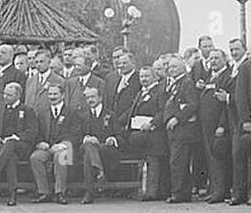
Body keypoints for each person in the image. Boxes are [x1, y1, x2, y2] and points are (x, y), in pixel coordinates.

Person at [0, 81, 37, 206]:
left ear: (17, 96)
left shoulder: (27, 110)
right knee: (10, 158)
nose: (5, 97)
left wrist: (16, 137)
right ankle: (12, 194)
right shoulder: (0, 111)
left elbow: (32, 131)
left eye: (9, 95)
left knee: (11, 143)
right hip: (4, 148)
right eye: (5, 94)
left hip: (22, 146)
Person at [227, 41, 251, 206]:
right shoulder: (244, 68)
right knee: (242, 157)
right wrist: (246, 119)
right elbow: (241, 96)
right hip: (244, 122)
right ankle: (241, 193)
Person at [122, 66, 168, 201]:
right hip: (140, 134)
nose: (144, 79)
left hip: (154, 134)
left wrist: (152, 123)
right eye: (142, 77)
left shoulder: (160, 92)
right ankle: (143, 190)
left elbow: (162, 111)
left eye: (147, 76)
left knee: (153, 162)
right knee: (145, 162)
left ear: (154, 77)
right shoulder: (140, 93)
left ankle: (151, 192)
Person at [30, 82, 77, 204]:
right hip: (47, 147)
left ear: (62, 95)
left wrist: (62, 145)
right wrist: (40, 142)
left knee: (60, 156)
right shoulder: (42, 113)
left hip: (65, 147)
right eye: (50, 94)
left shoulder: (71, 112)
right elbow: (37, 131)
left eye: (55, 94)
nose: (52, 96)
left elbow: (75, 134)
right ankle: (44, 192)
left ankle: (60, 192)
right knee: (35, 157)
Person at [161, 56, 199, 203]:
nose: (171, 70)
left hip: (183, 130)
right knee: (177, 161)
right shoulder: (174, 83)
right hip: (173, 131)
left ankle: (179, 193)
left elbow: (192, 104)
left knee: (178, 162)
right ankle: (181, 191)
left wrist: (177, 118)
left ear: (183, 68)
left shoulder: (187, 83)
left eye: (175, 67)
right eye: (170, 67)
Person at [197, 47, 232, 204]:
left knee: (218, 157)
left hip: (218, 125)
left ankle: (220, 191)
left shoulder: (227, 76)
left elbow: (226, 105)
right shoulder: (209, 77)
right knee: (211, 158)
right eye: (211, 59)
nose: (213, 61)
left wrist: (222, 125)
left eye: (217, 58)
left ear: (225, 59)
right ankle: (214, 189)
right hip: (206, 125)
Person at [76, 85, 121, 204]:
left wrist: (112, 138)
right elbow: (76, 135)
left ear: (100, 98)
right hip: (86, 146)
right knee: (88, 146)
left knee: (88, 156)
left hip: (105, 149)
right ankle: (100, 171)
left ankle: (89, 192)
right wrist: (86, 138)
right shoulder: (82, 115)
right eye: (88, 97)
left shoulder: (110, 114)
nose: (90, 100)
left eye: (93, 97)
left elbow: (119, 135)